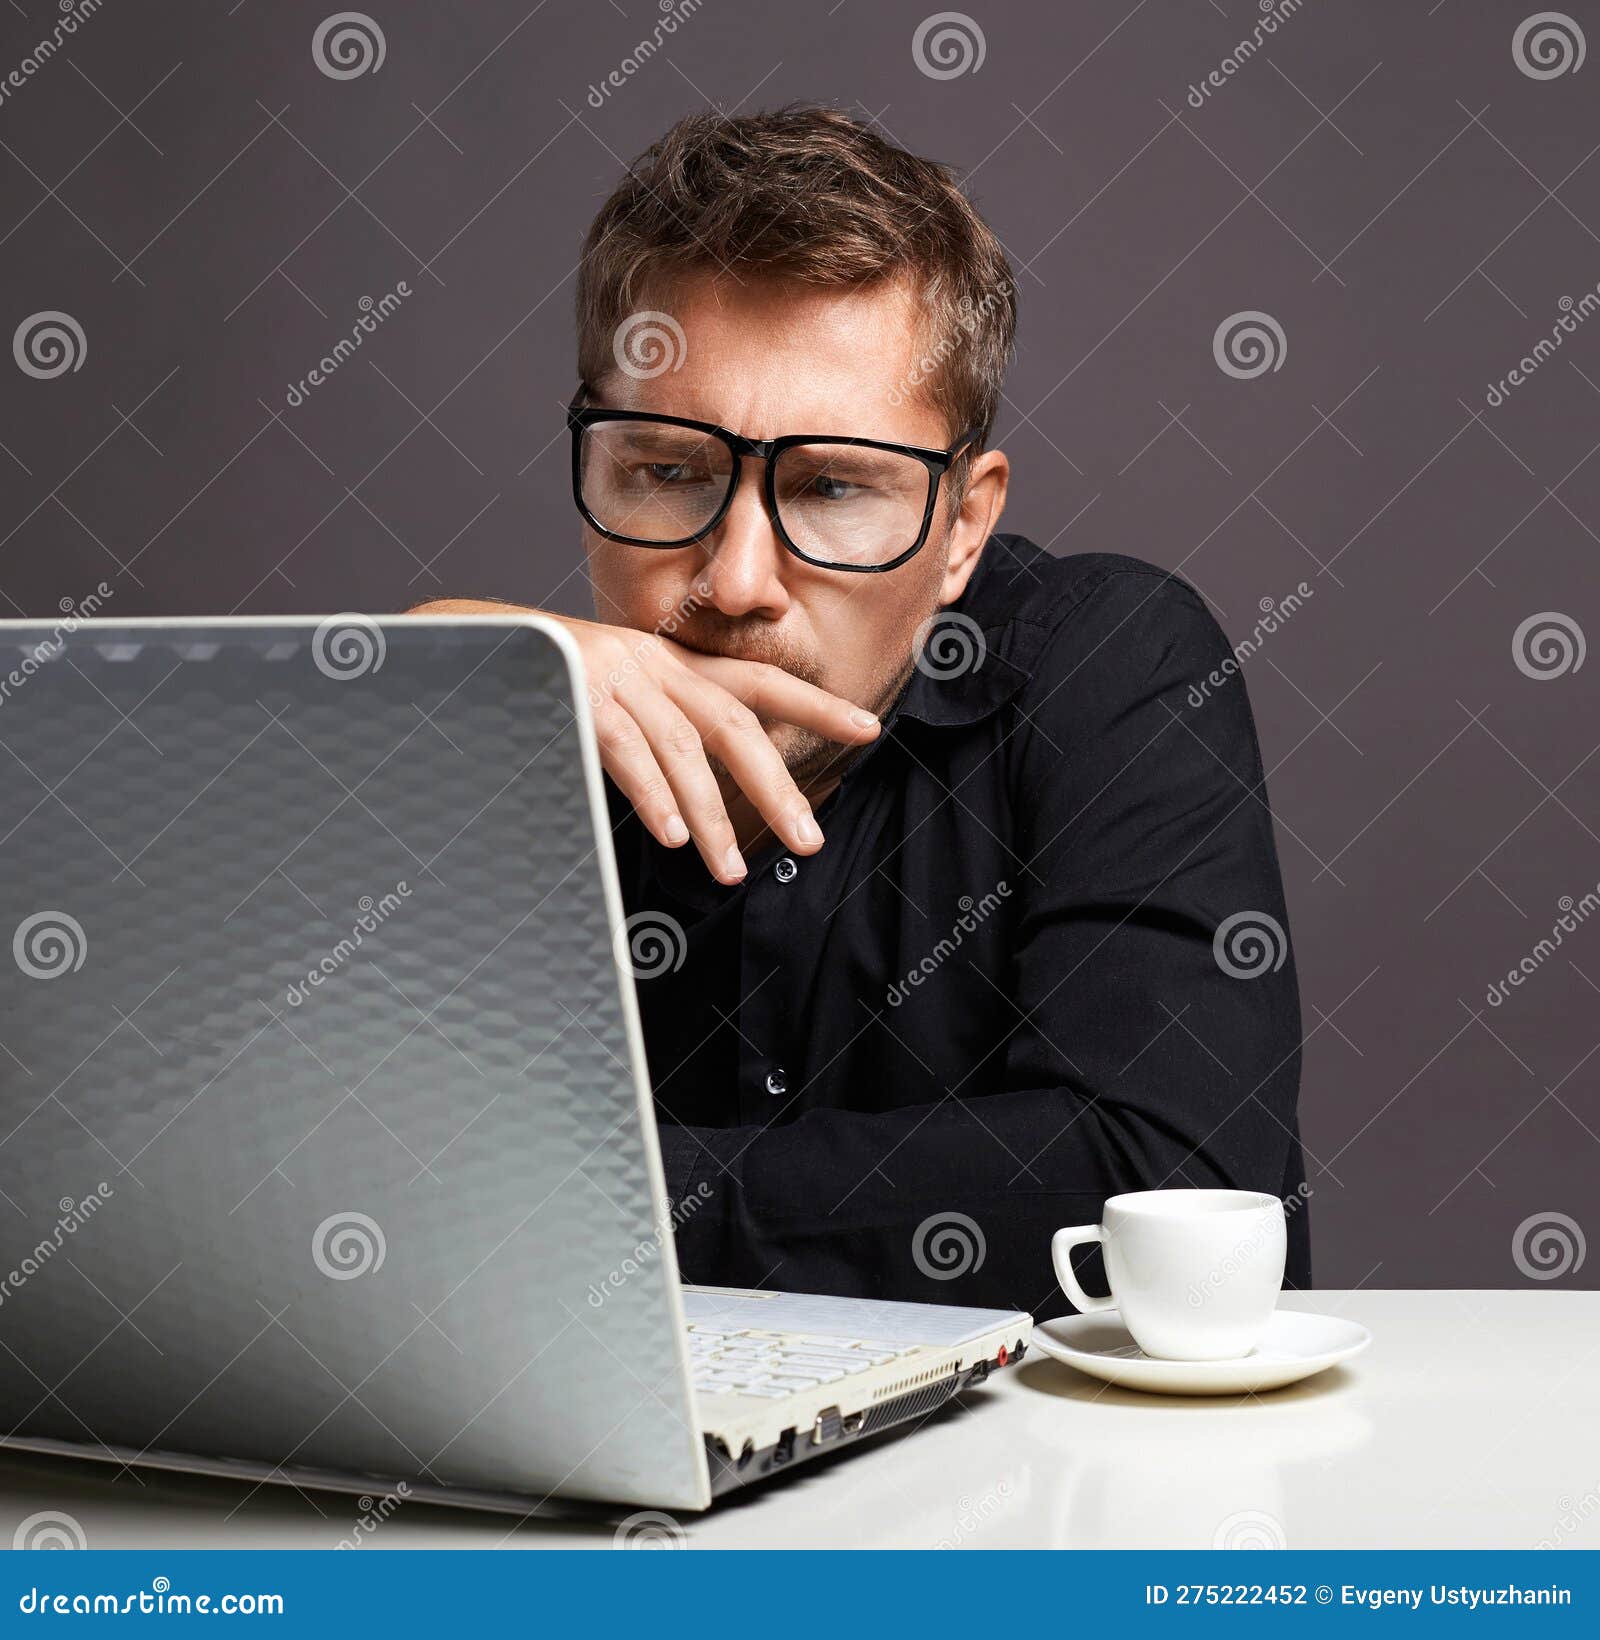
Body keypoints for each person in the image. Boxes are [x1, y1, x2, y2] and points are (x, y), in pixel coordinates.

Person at [410, 105, 1308, 1317]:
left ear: (963, 529)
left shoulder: (1116, 662)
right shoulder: (482, 727)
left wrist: (578, 1203)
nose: (732, 582)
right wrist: (395, 689)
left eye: (831, 487)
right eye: (667, 471)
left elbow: (1163, 1185)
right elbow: (226, 1162)